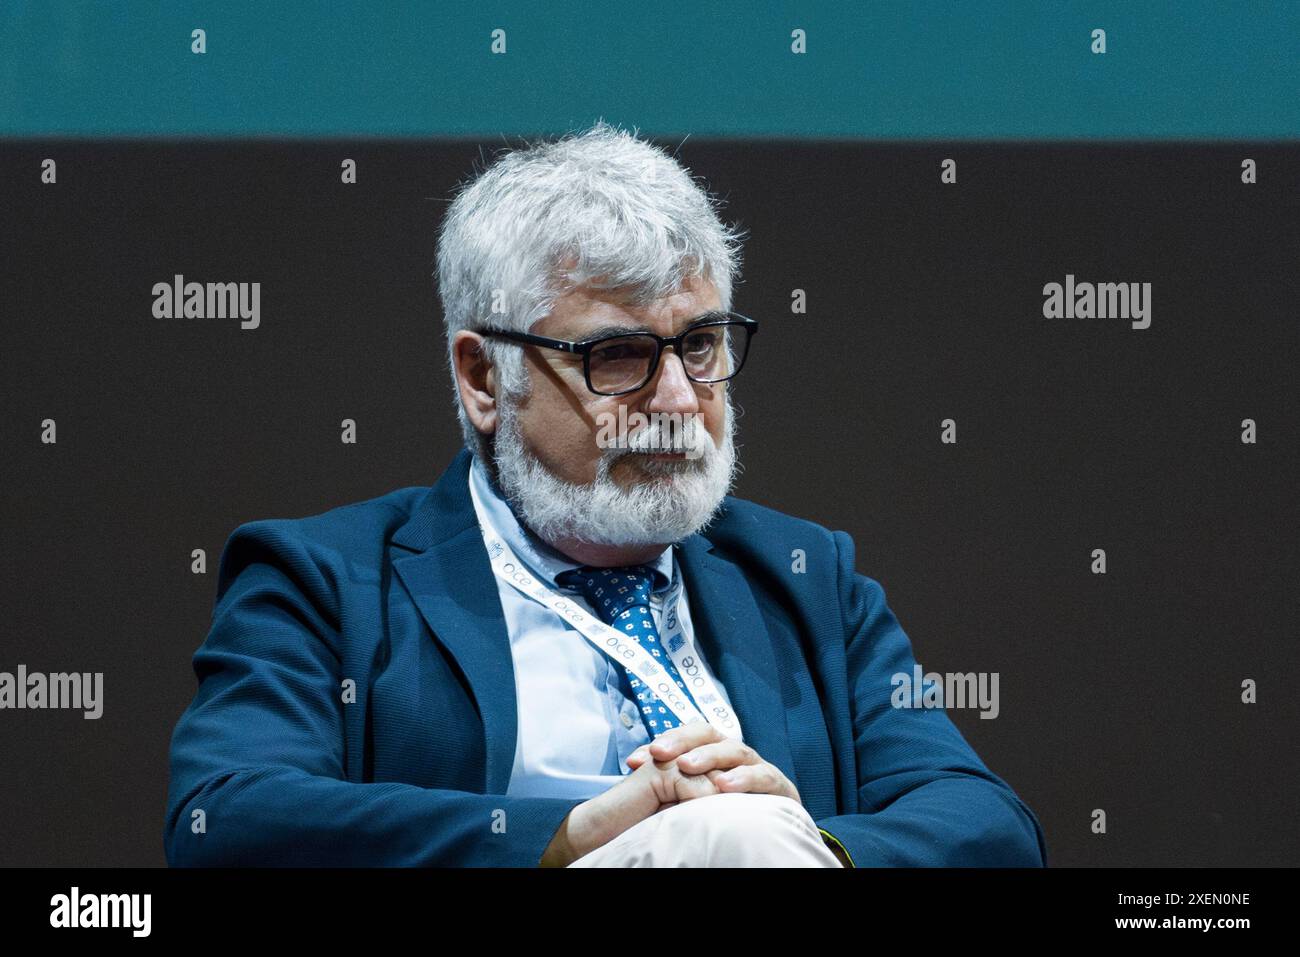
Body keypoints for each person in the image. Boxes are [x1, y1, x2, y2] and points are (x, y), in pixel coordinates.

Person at [164, 121, 1047, 867]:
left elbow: (990, 824)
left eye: (699, 346)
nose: (675, 402)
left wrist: (807, 843)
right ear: (483, 377)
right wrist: (565, 838)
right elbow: (227, 816)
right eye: (616, 356)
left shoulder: (809, 579)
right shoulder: (328, 580)